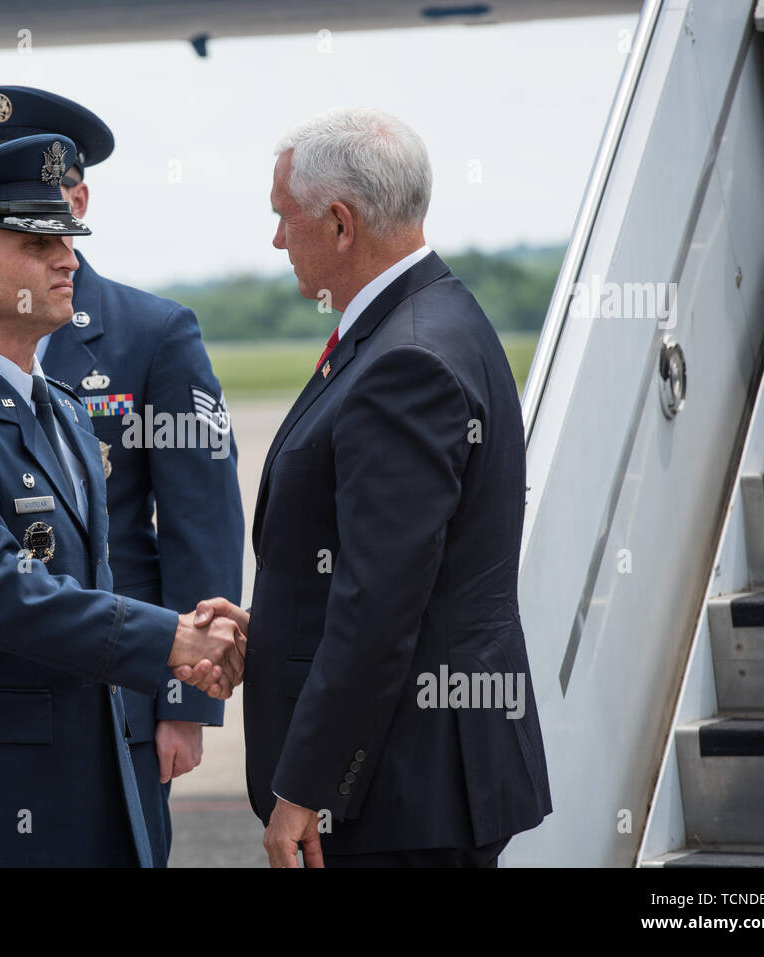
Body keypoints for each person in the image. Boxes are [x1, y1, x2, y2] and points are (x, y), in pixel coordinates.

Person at [0, 86, 244, 865]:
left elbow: (196, 519)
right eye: (38, 241)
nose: (66, 260)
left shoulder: (128, 353)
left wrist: (184, 688)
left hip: (114, 723)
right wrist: (177, 641)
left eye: (65, 233)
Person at [191, 108, 552, 868]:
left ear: (341, 222)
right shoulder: (430, 317)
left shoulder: (404, 360)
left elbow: (380, 605)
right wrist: (273, 627)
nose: (277, 240)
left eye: (285, 219)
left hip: (400, 791)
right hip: (423, 772)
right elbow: (387, 571)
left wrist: (309, 785)